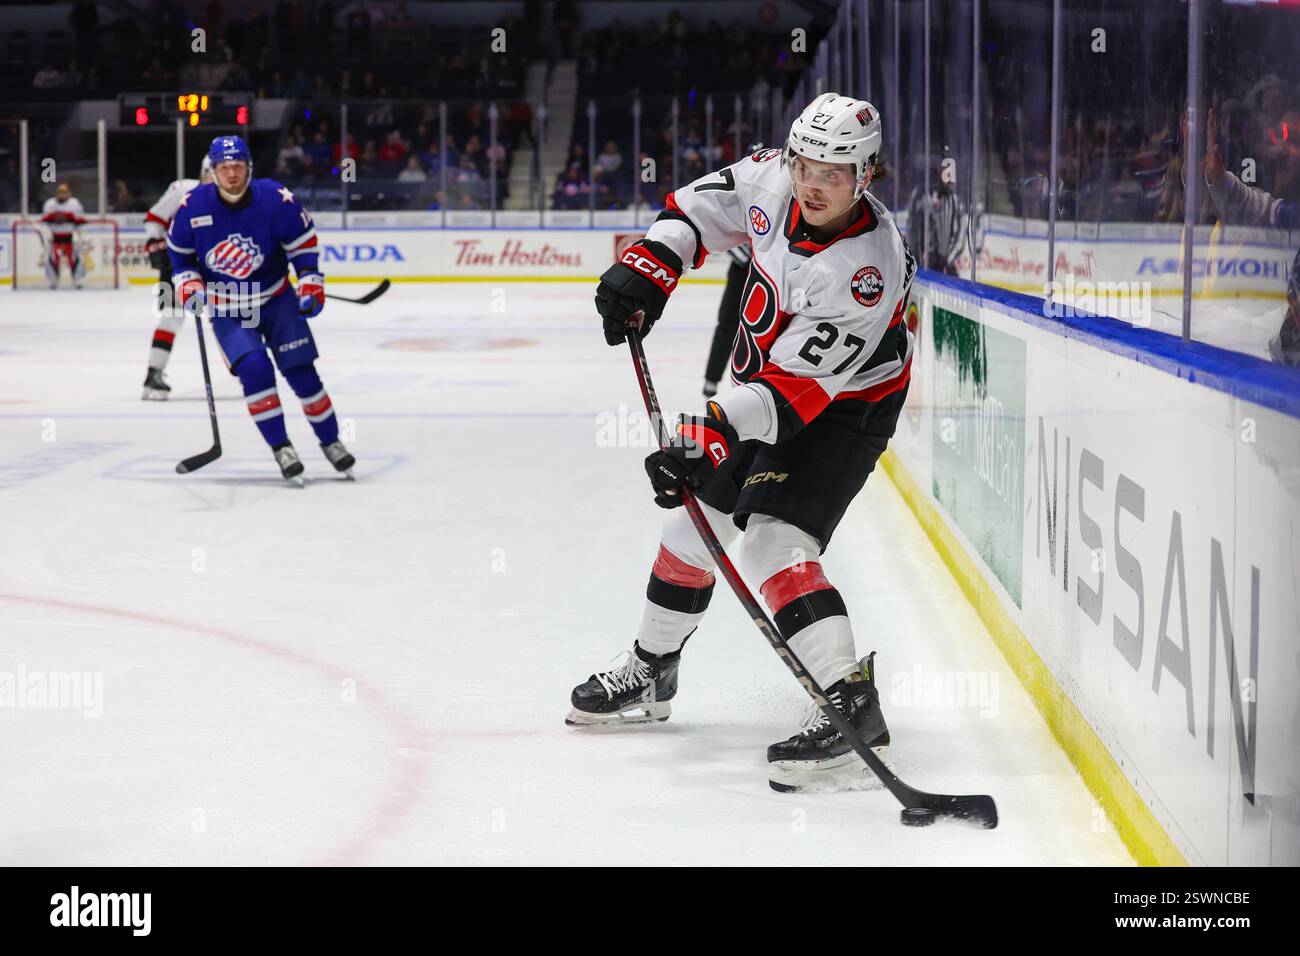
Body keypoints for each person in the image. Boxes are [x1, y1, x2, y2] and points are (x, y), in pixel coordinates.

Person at [572, 93, 917, 794]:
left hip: (842, 409)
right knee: (689, 528)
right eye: (806, 163)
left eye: (836, 171)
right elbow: (699, 213)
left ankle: (853, 704)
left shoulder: (866, 269)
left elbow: (793, 396)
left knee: (770, 540)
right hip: (762, 390)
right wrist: (650, 267)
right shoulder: (770, 178)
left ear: (868, 175)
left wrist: (707, 430)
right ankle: (652, 670)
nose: (814, 183)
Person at [167, 135, 356, 481]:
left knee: (302, 374)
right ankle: (281, 447)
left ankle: (331, 442)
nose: (232, 174)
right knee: (255, 370)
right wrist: (189, 283)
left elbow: (302, 244)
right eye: (224, 168)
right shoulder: (192, 206)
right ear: (213, 171)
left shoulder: (275, 199)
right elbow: (180, 255)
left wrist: (310, 279)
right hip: (229, 308)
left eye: (238, 166)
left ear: (249, 167)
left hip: (275, 300)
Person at [141, 157, 214, 400]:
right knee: (172, 317)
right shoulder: (183, 190)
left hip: (213, 265)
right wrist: (157, 245)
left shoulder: (233, 198)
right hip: (177, 264)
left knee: (236, 315)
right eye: (214, 171)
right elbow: (154, 218)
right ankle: (154, 373)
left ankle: (245, 367)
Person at [39, 182, 88, 289]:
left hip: (70, 237)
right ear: (56, 193)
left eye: (65, 193)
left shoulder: (75, 204)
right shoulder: (50, 204)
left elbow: (81, 220)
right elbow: (44, 221)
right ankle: (53, 280)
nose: (63, 195)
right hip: (55, 238)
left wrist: (79, 233)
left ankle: (78, 280)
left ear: (69, 193)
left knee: (74, 259)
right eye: (61, 193)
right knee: (53, 259)